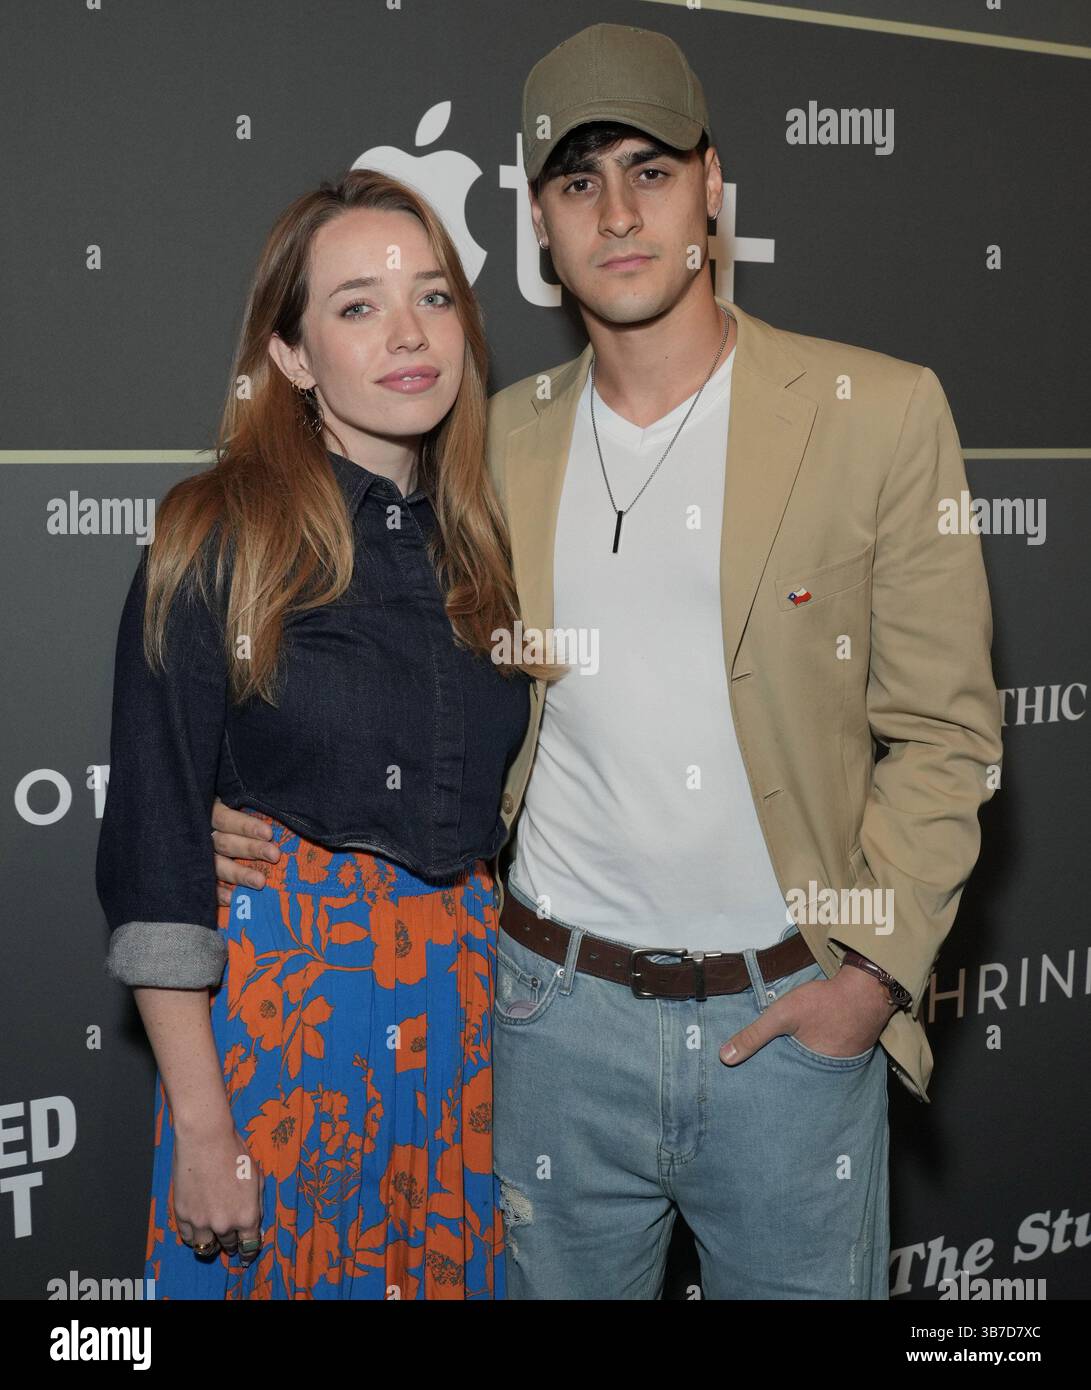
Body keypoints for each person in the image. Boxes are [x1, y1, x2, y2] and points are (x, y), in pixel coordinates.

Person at [208, 23, 1004, 1300]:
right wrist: (228, 802)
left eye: (650, 168)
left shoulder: (879, 412)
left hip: (786, 1034)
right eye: (578, 181)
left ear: (711, 187)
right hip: (544, 1021)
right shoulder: (490, 443)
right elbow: (375, 666)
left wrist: (867, 979)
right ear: (538, 224)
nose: (619, 211)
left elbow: (946, 736)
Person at [95, 166, 558, 1298]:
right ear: (293, 356)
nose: (408, 333)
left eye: (433, 296)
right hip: (283, 1027)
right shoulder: (211, 537)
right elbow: (156, 855)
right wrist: (205, 1131)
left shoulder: (483, 545)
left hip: (464, 1026)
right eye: (356, 305)